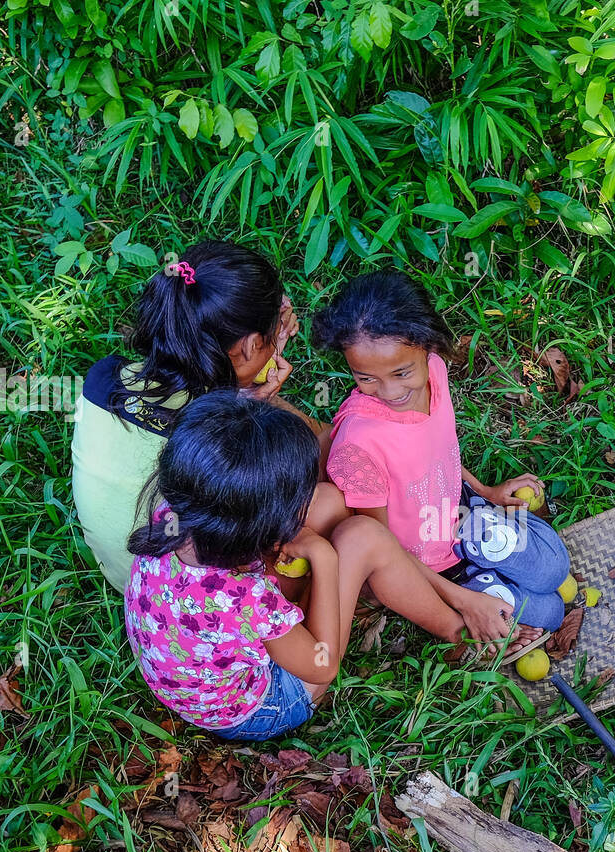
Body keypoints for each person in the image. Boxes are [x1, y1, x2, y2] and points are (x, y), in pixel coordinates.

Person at [124, 391, 468, 741]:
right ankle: (459, 633)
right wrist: (324, 558)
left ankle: (374, 594)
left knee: (327, 503)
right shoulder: (247, 597)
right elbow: (323, 667)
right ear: (259, 526)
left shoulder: (177, 515)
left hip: (197, 665)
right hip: (265, 706)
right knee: (362, 537)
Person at [311, 270, 552, 657]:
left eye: (401, 372)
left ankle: (479, 585)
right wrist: (462, 600)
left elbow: (439, 451)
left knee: (550, 572)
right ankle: (457, 624)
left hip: (457, 519)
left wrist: (485, 492)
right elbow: (383, 549)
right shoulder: (359, 443)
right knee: (546, 610)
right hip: (421, 569)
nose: (389, 391)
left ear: (427, 346)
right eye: (365, 378)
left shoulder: (436, 373)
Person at [72, 240, 329, 591]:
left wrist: (252, 374)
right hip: (197, 601)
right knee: (330, 498)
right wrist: (261, 398)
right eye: (267, 340)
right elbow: (314, 448)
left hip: (130, 583)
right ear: (251, 345)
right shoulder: (220, 438)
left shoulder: (102, 379)